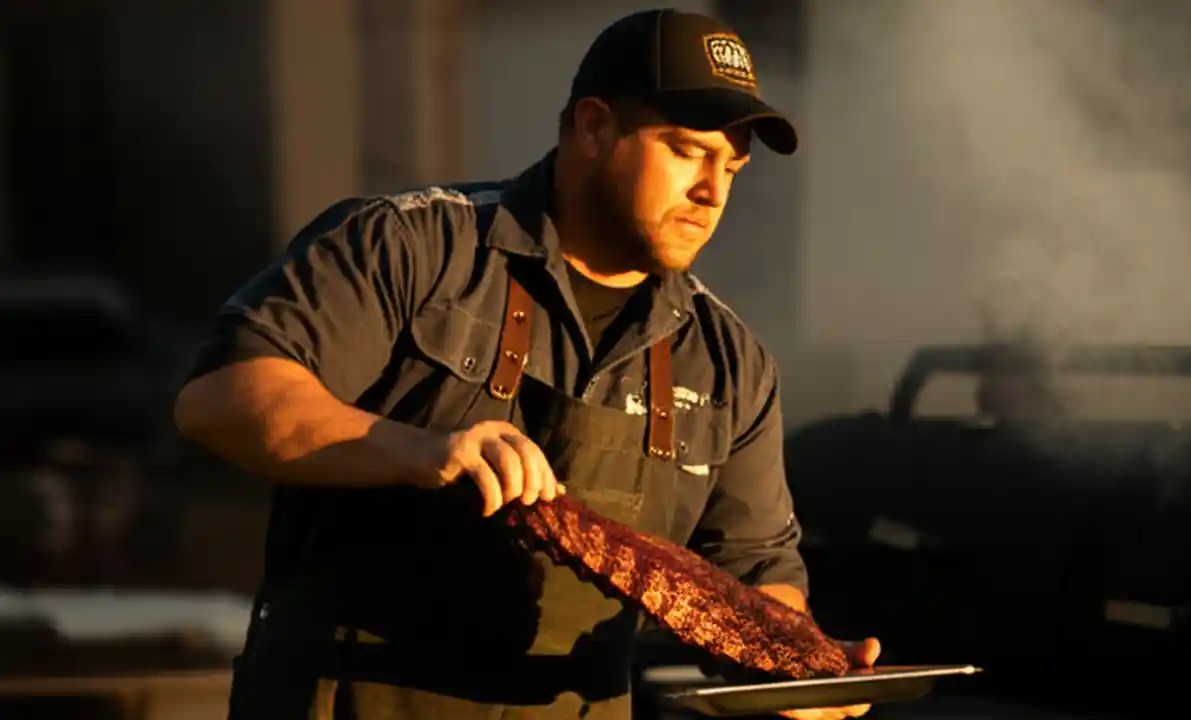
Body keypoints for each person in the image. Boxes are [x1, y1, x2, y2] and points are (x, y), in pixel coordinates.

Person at [174, 7, 879, 720]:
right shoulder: (413, 247)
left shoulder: (729, 363)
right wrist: (423, 450)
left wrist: (795, 667)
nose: (712, 190)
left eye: (731, 164)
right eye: (685, 150)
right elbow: (222, 399)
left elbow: (759, 572)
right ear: (594, 127)